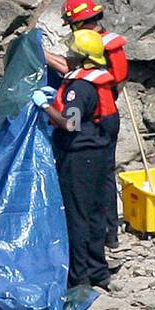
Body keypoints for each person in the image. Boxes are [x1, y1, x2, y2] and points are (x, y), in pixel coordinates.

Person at [34, 28, 119, 290]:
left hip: (80, 157)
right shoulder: (101, 81)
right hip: (100, 154)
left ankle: (78, 277)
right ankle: (99, 272)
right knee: (96, 214)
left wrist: (44, 106)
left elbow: (70, 124)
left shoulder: (79, 88)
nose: (68, 56)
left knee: (77, 217)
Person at [49, 0, 129, 252]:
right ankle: (109, 231)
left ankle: (91, 235)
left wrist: (41, 54)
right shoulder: (106, 42)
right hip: (108, 114)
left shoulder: (90, 45)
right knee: (106, 173)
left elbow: (72, 70)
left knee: (89, 178)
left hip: (94, 118)